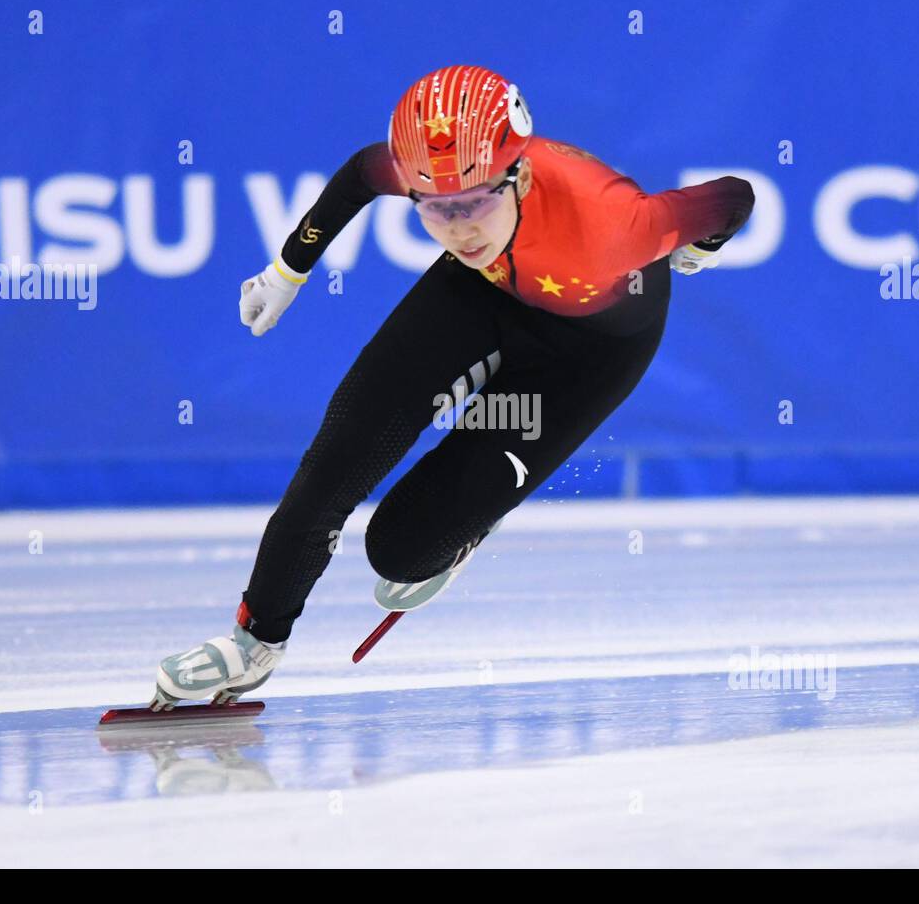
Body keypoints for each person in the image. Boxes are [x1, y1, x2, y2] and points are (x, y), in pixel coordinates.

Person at [150, 64, 754, 710]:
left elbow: (735, 195)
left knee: (400, 553)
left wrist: (702, 244)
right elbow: (359, 173)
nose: (460, 228)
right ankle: (254, 642)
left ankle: (463, 525)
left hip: (587, 355)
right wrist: (287, 271)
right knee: (338, 455)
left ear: (517, 173)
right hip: (482, 291)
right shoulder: (440, 194)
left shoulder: (617, 224)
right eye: (435, 210)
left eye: (475, 203)